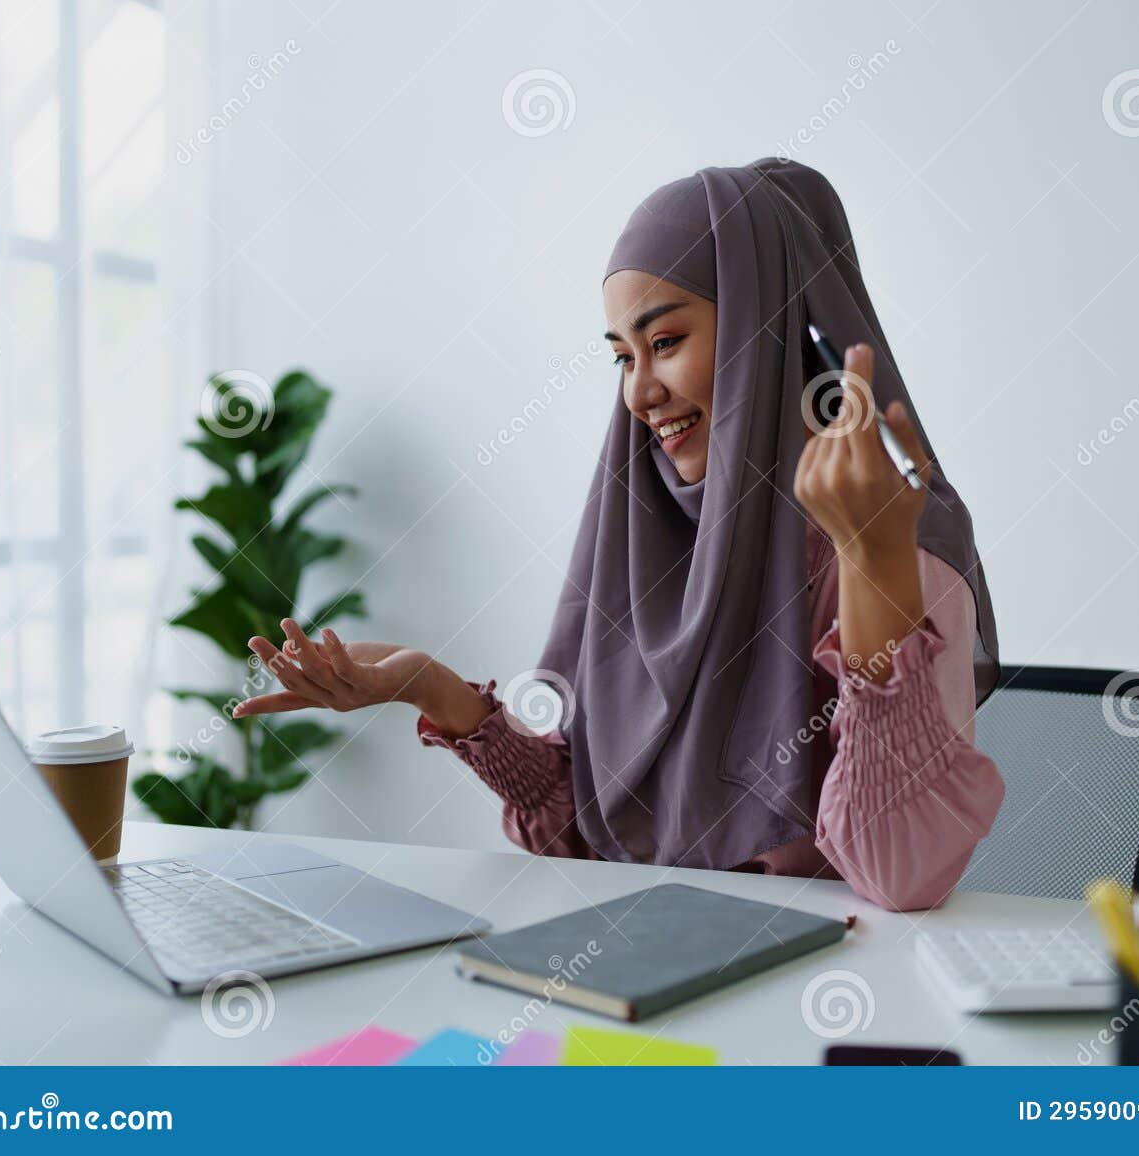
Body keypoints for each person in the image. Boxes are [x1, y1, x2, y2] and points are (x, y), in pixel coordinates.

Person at [234, 158, 1004, 911]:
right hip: (653, 972)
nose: (639, 391)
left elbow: (900, 876)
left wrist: (871, 562)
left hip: (830, 992)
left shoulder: (899, 543)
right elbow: (592, 838)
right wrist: (433, 690)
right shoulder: (653, 533)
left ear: (764, 329)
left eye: (665, 342)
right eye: (622, 358)